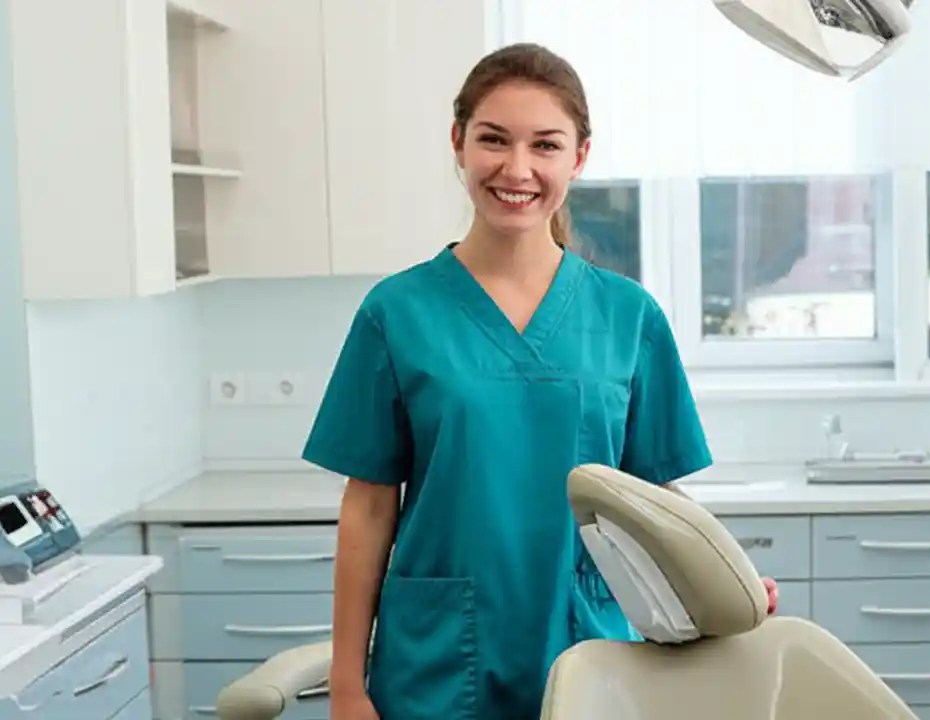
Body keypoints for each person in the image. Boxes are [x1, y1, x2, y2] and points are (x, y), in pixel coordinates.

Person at [301, 42, 779, 720]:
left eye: (545, 145)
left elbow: (655, 501)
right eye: (494, 139)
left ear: (578, 158)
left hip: (594, 653)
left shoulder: (628, 316)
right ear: (458, 143)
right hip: (439, 662)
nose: (517, 169)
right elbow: (368, 510)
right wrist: (347, 688)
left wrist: (724, 583)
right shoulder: (396, 313)